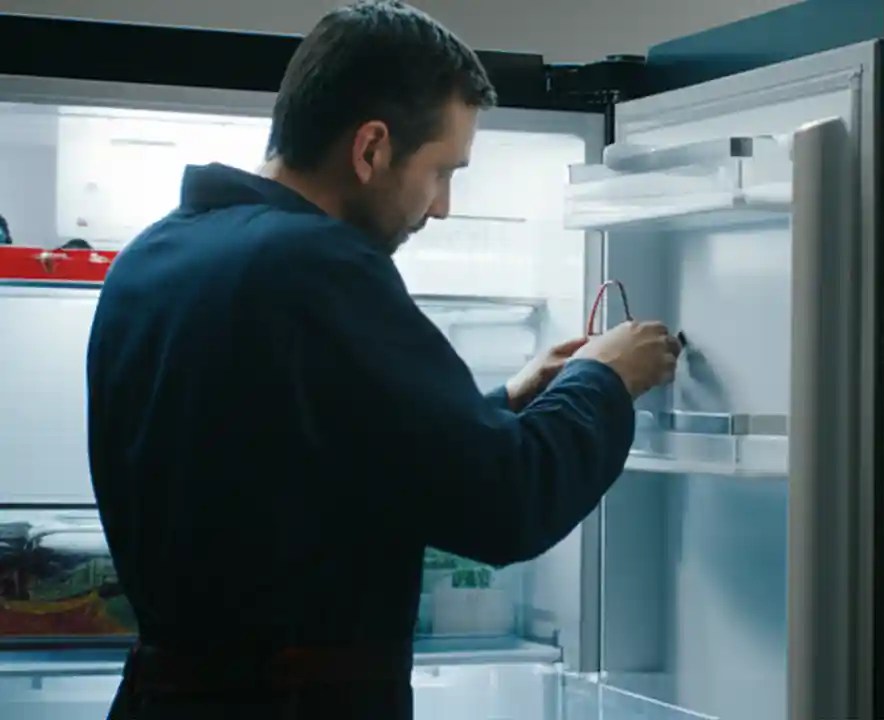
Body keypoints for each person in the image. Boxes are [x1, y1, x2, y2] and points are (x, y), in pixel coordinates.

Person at [86, 2, 681, 718]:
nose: (442, 208)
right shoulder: (316, 265)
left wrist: (509, 401)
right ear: (370, 148)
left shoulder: (155, 256)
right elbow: (506, 505)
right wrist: (607, 378)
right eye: (441, 172)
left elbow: (332, 465)